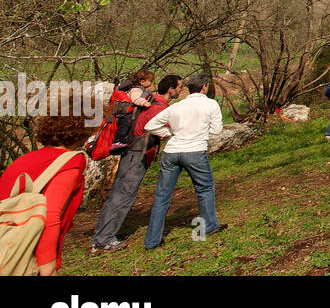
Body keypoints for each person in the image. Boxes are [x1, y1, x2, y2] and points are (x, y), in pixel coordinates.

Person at [90, 73, 182, 255]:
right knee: (124, 196)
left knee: (117, 194)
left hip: (131, 153)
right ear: (171, 89)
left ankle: (100, 236)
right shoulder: (158, 108)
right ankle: (104, 240)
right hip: (136, 155)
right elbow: (151, 130)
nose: (180, 90)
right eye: (179, 87)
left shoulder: (150, 101)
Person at [143, 72, 226, 250]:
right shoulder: (211, 104)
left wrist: (169, 133)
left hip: (171, 152)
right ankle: (209, 226)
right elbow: (217, 130)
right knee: (204, 188)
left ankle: (152, 241)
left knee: (162, 197)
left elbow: (149, 126)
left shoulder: (177, 107)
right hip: (195, 151)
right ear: (204, 87)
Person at [0, 116, 90, 275]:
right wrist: (47, 268)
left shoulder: (24, 160)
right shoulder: (71, 162)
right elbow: (49, 216)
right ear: (83, 131)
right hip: (22, 259)